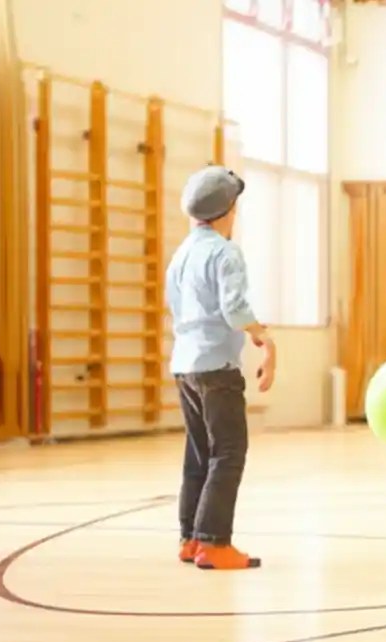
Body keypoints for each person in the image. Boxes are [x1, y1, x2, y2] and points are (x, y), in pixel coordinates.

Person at [167, 165, 275, 571]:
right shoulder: (225, 252)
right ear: (228, 210)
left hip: (185, 365)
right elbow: (234, 310)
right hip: (217, 367)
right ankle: (214, 543)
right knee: (229, 452)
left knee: (199, 452)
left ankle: (190, 536)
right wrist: (261, 333)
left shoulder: (182, 253)